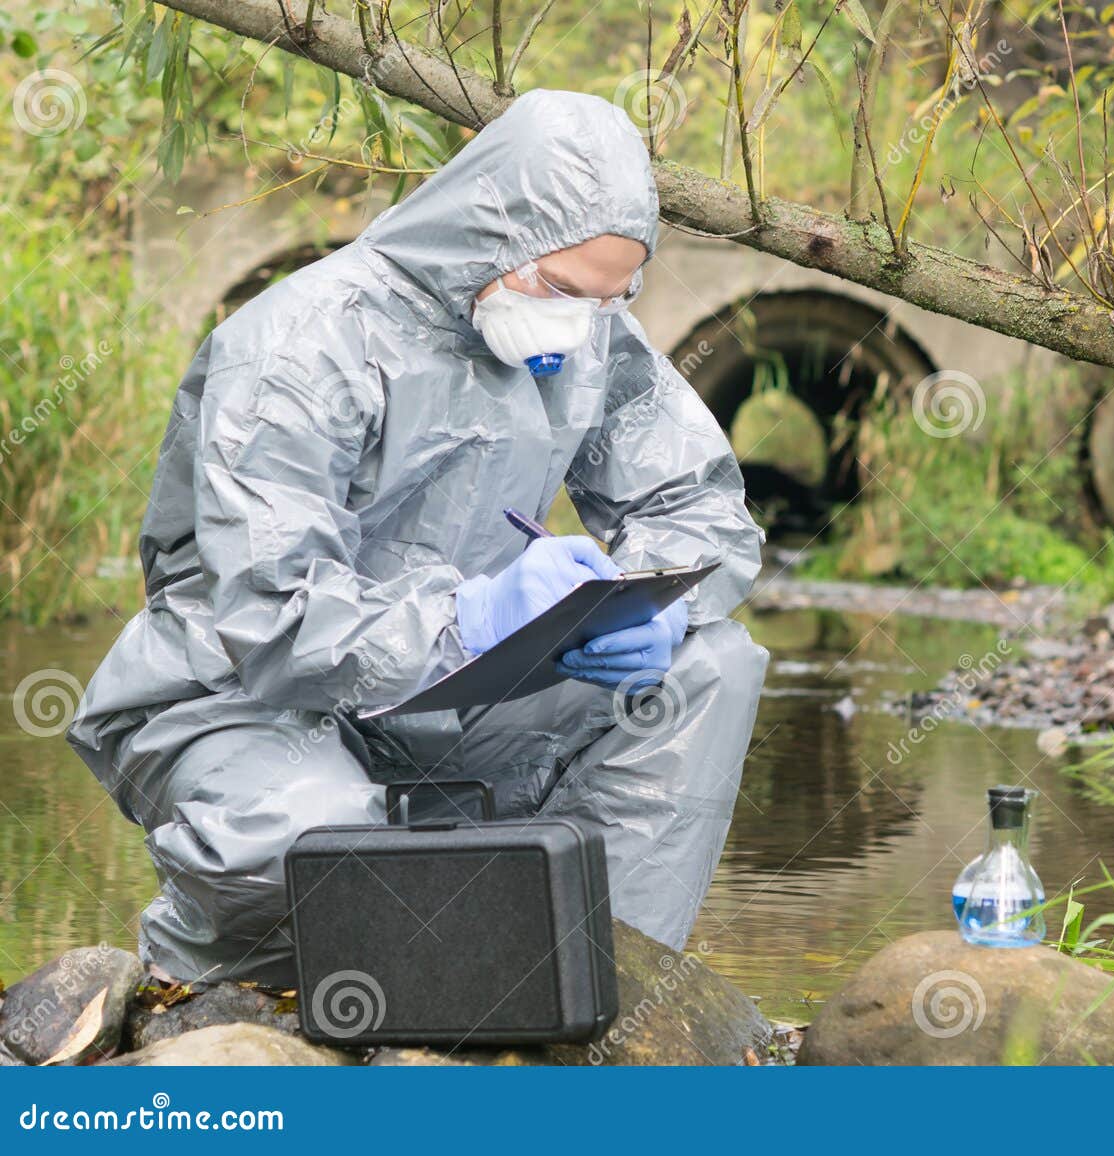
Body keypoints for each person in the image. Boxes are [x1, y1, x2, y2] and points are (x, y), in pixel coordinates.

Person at [67, 90, 768, 986]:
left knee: (710, 666)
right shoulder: (299, 345)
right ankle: (192, 984)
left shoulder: (586, 333)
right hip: (237, 693)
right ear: (489, 234)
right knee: (311, 848)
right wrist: (474, 617)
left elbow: (700, 503)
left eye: (611, 296)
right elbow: (271, 616)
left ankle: (596, 992)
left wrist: (641, 601)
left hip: (450, 691)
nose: (577, 324)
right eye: (559, 288)